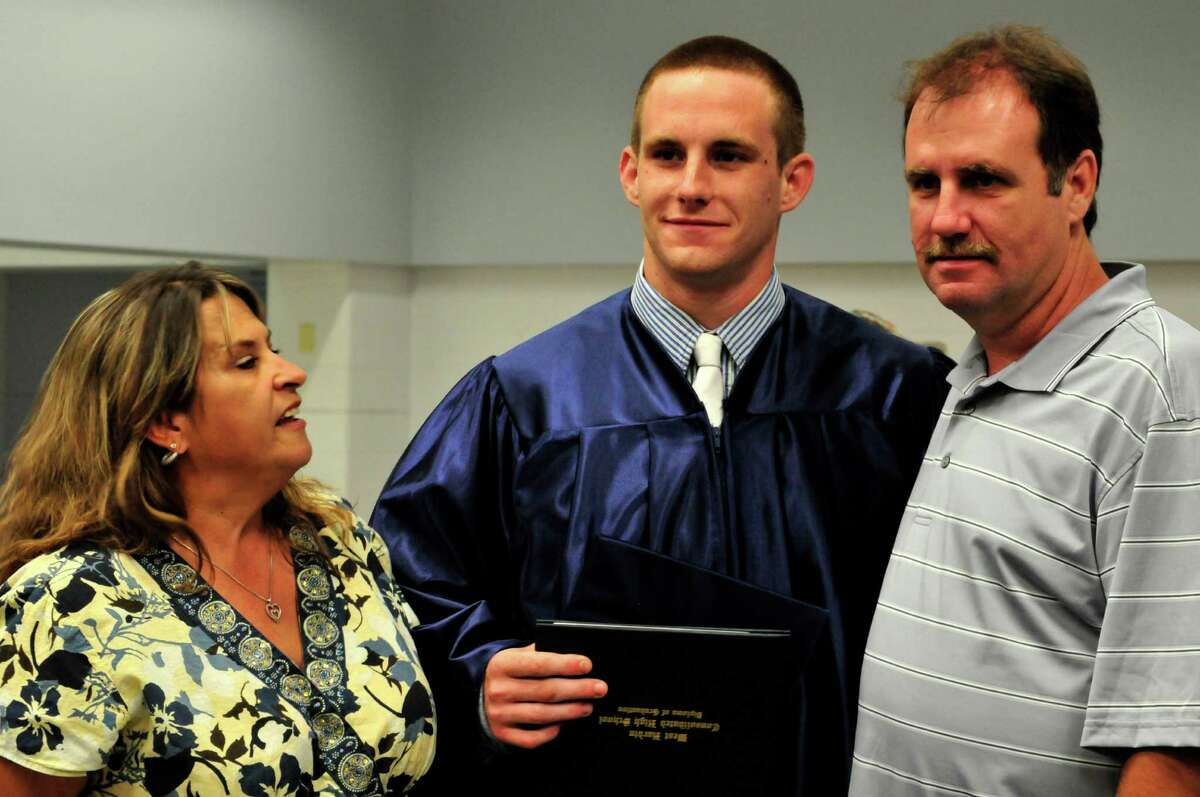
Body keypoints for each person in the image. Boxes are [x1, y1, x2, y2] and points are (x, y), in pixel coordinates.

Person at [372, 35, 950, 792]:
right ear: (630, 174)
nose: (693, 184)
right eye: (668, 154)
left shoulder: (888, 394)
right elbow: (398, 581)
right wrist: (478, 673)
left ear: (792, 180)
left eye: (730, 156)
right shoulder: (527, 397)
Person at [850, 25, 1200, 796]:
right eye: (923, 183)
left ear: (1076, 184)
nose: (944, 218)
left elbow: (1175, 748)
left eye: (981, 180)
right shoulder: (972, 371)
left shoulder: (1165, 389)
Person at [0, 264, 436, 796]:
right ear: (166, 422)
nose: (292, 372)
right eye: (247, 362)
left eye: (273, 350)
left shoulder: (338, 538)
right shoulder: (70, 601)